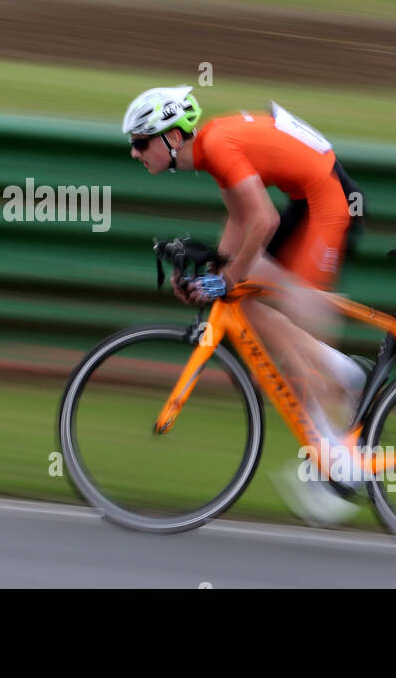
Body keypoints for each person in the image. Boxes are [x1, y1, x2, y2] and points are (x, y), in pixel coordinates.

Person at [122, 85, 368, 526]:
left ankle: (338, 420)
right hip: (307, 196)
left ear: (172, 138)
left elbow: (264, 220)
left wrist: (227, 277)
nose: (136, 155)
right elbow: (240, 218)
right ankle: (338, 388)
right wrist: (212, 276)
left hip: (327, 201)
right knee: (243, 296)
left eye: (141, 143)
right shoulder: (214, 151)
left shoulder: (216, 144)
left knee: (283, 306)